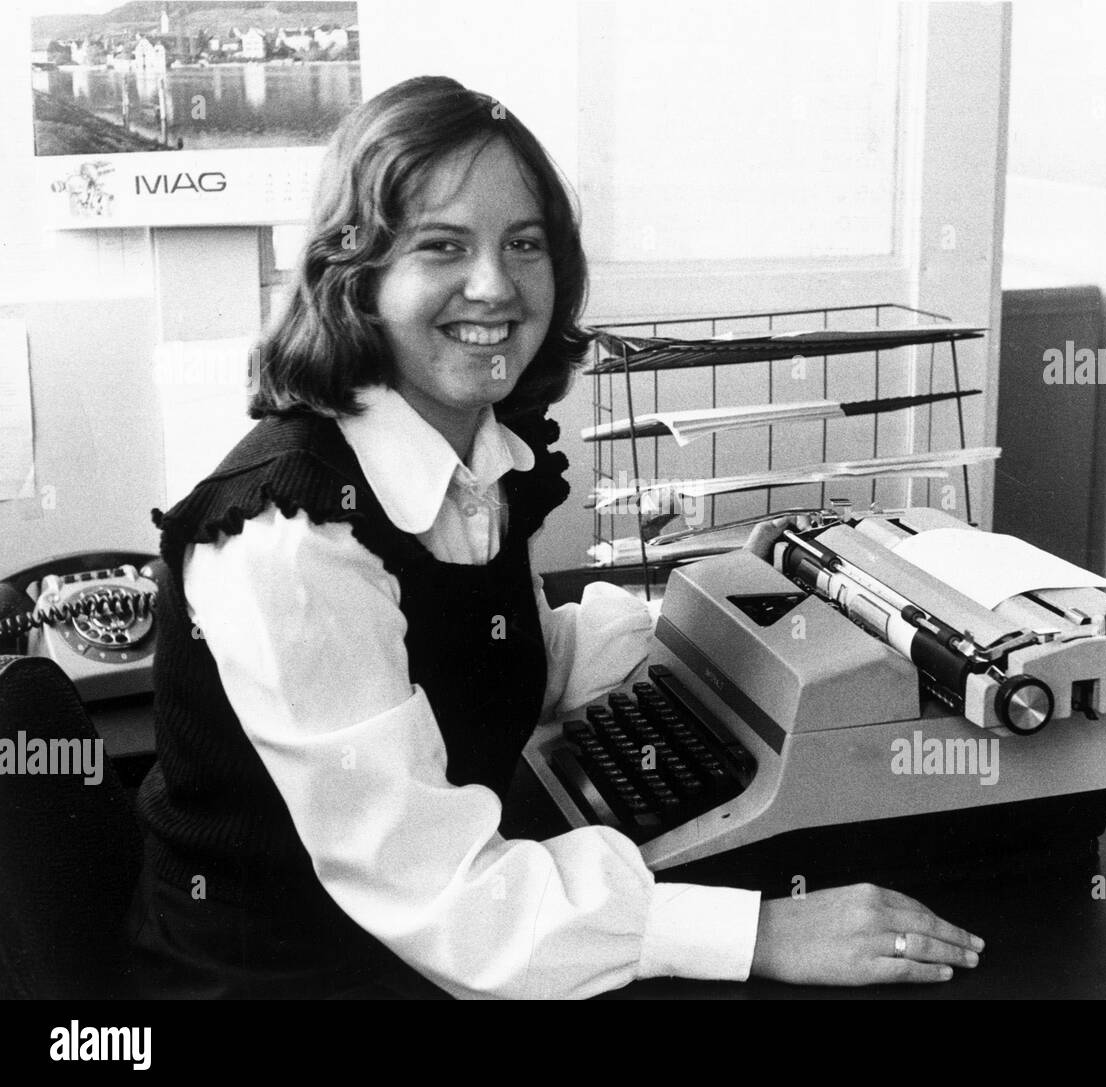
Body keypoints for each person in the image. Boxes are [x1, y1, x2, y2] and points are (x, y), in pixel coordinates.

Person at [128, 75, 984, 999]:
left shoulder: (474, 458)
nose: (494, 285)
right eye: (442, 246)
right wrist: (758, 931)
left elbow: (488, 661)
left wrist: (733, 627)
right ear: (359, 274)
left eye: (523, 244)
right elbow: (443, 898)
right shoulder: (292, 541)